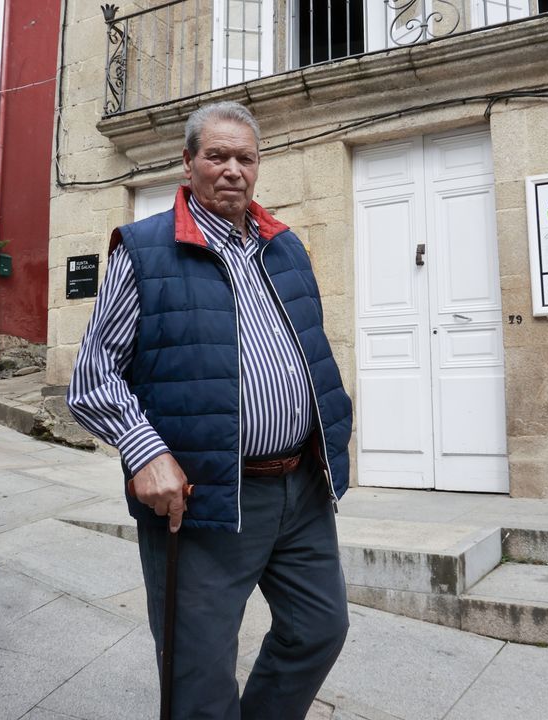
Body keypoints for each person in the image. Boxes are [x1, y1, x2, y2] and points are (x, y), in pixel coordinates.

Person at [67, 100, 354, 719]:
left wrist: (333, 429)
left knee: (318, 629)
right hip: (201, 498)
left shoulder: (285, 245)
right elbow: (93, 377)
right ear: (188, 163)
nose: (232, 169)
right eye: (216, 156)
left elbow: (307, 350)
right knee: (197, 674)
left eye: (244, 158)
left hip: (300, 487)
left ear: (258, 166)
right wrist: (144, 453)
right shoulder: (144, 250)